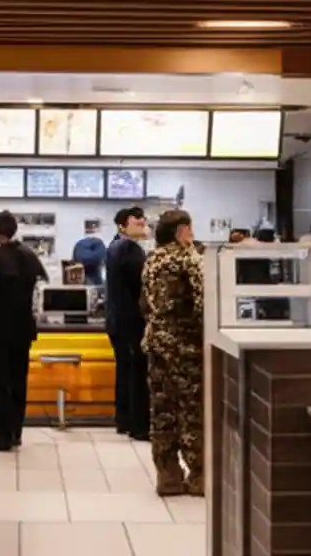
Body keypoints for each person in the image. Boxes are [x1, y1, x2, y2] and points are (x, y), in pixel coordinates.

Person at [0, 210, 48, 452]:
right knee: (17, 381)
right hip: (22, 328)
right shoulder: (29, 255)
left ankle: (1, 436)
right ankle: (16, 432)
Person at [141, 209, 205, 497]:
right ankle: (199, 476)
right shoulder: (188, 258)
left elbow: (145, 302)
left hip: (157, 343)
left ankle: (167, 475)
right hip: (186, 346)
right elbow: (203, 303)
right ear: (181, 230)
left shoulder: (152, 259)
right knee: (191, 411)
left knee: (162, 411)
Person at [105, 206, 149, 439]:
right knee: (135, 372)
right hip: (130, 321)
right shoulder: (129, 250)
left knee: (124, 370)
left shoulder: (114, 246)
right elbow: (141, 288)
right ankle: (137, 425)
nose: (143, 225)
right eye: (138, 223)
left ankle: (123, 418)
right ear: (123, 224)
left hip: (117, 320)